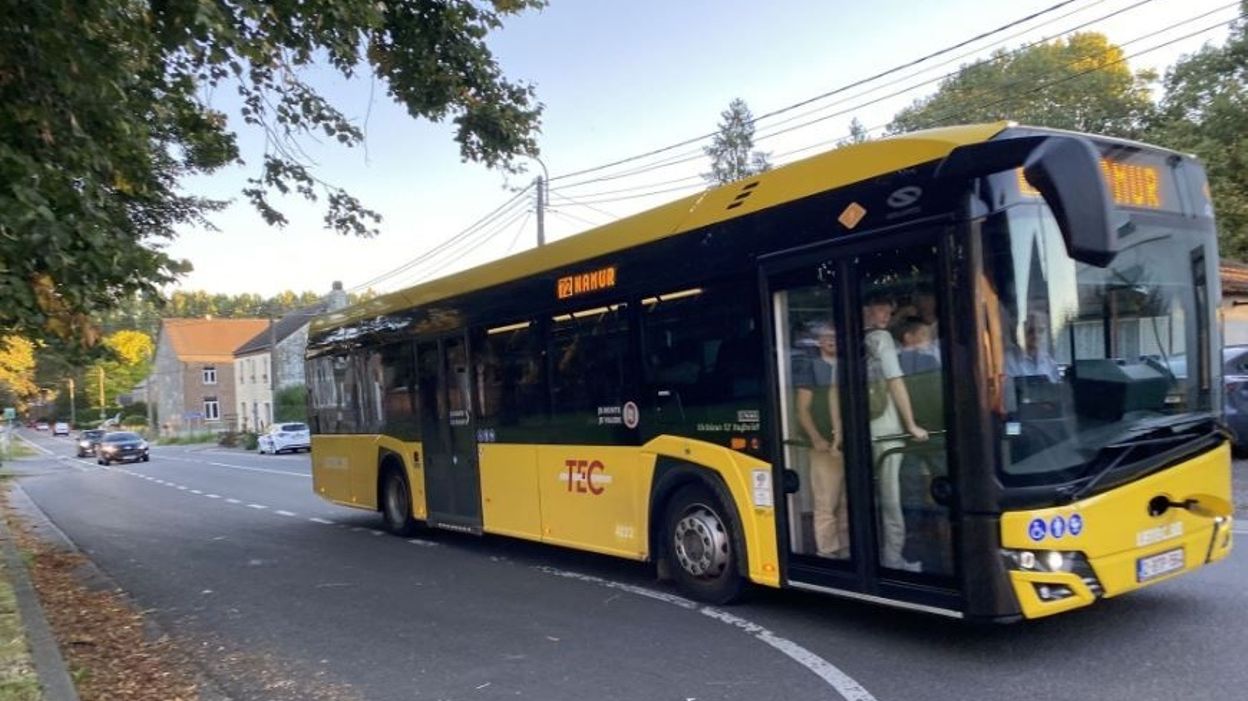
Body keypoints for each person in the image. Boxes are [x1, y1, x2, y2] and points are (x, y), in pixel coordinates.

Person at [863, 291, 928, 572]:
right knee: (891, 498)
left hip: (865, 427)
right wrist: (911, 424)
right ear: (867, 308)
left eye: (890, 314)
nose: (886, 318)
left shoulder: (856, 338)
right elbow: (896, 382)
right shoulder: (882, 339)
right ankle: (892, 559)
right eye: (882, 311)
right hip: (886, 428)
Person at [794, 322, 849, 559]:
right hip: (824, 446)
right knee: (827, 502)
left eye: (835, 336)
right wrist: (816, 439)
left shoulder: (849, 365)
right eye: (827, 337)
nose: (831, 340)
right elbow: (802, 410)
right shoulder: (811, 368)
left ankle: (846, 549)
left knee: (847, 503)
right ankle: (827, 552)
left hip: (848, 445)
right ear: (818, 342)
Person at [1006, 311, 1060, 382]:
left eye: (1040, 331)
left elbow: (1055, 389)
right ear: (1023, 332)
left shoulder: (1049, 362)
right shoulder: (1009, 360)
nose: (1036, 335)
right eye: (1031, 331)